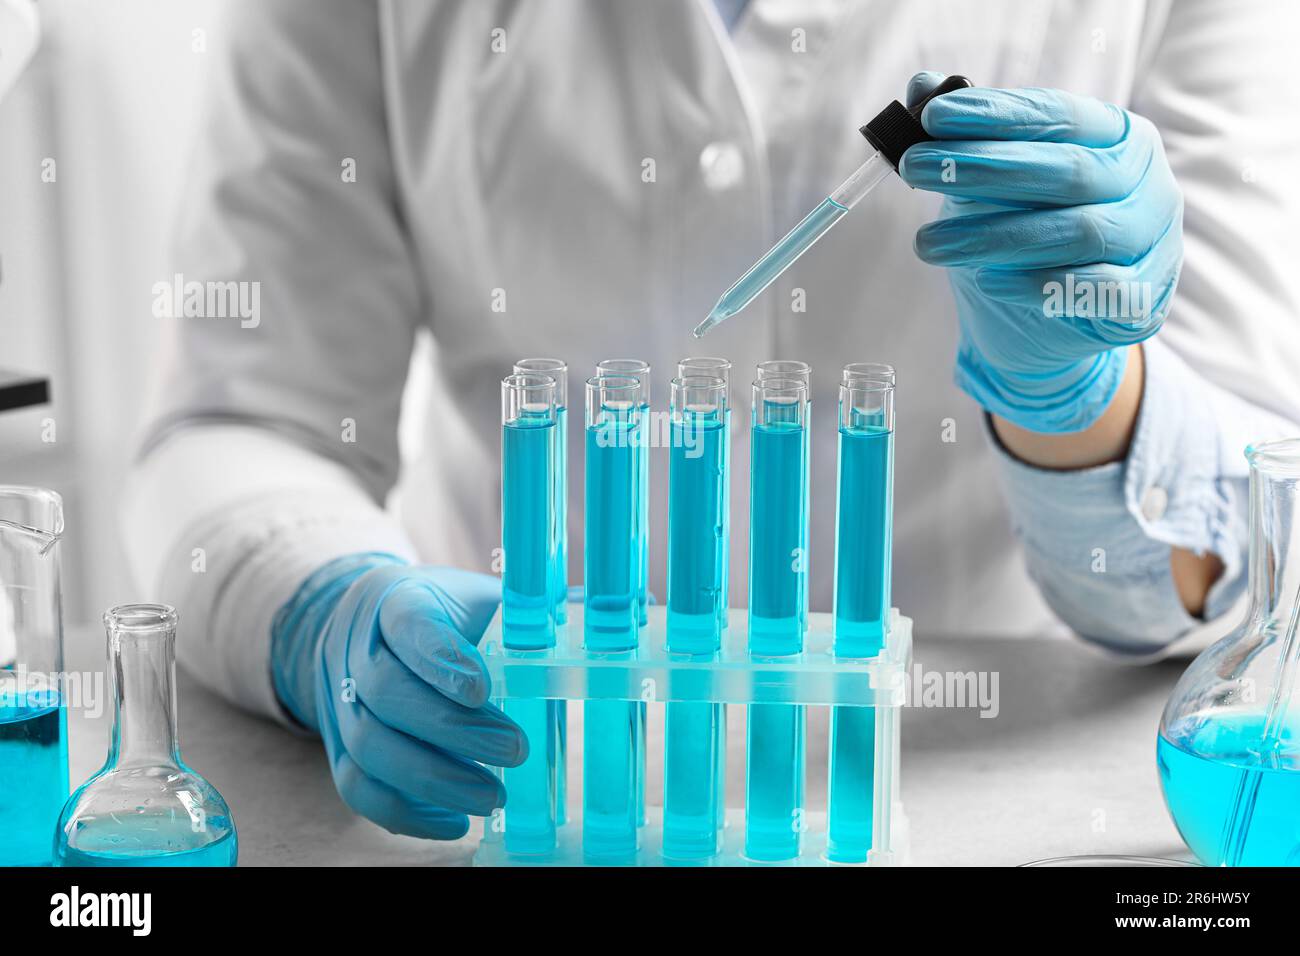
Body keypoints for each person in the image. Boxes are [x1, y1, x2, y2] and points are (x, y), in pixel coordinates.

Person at [124, 0, 1300, 838]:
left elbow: (1248, 534)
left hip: (957, 792)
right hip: (531, 762)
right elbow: (241, 414)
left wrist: (1081, 396)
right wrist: (324, 610)